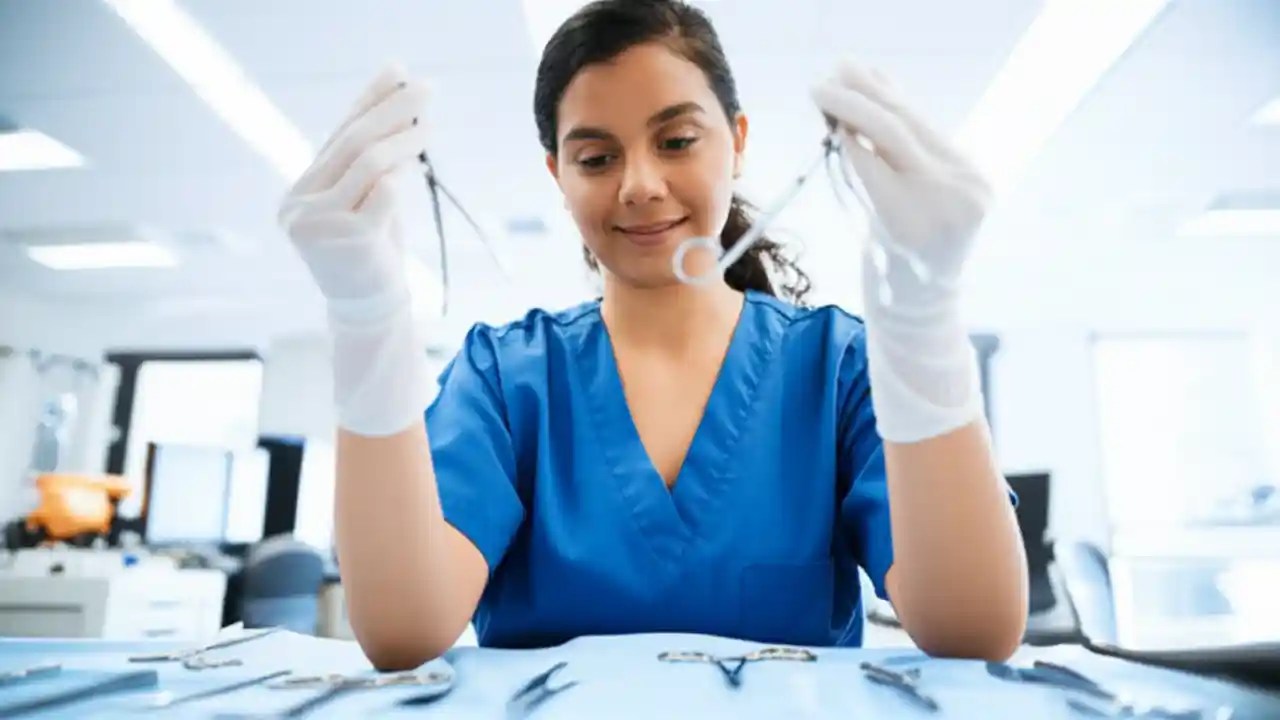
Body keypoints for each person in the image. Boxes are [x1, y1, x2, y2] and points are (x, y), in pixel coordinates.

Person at [278, 0, 1027, 671]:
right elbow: (402, 629)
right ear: (558, 175)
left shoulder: (840, 367)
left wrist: (924, 314)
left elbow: (976, 627)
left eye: (676, 140)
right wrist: (365, 316)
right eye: (597, 158)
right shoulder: (504, 378)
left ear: (736, 140)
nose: (638, 183)